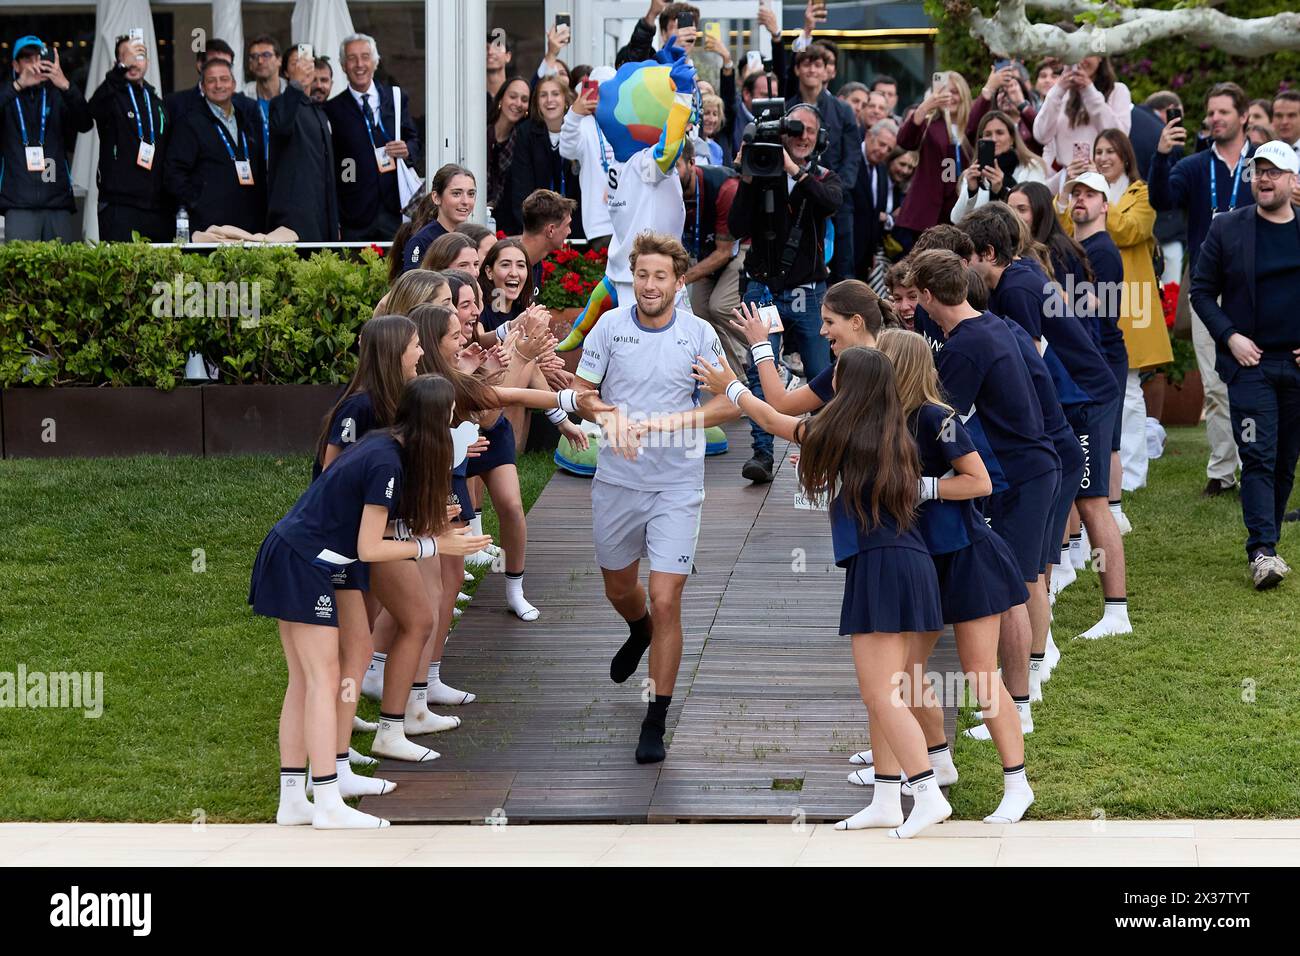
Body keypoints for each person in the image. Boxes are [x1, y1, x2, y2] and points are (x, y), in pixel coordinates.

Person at [696, 344, 952, 837]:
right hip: (905, 563)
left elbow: (772, 419)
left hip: (882, 565)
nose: (830, 381)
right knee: (885, 692)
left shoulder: (848, 431)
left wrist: (730, 383)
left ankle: (926, 792)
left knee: (882, 694)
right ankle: (884, 799)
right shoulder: (890, 431)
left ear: (849, 387)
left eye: (838, 376)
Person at [252, 374, 489, 827]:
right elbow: (368, 549)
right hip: (304, 560)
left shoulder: (386, 448)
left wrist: (422, 529)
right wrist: (434, 545)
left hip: (306, 555)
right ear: (433, 422)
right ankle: (326, 802)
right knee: (319, 678)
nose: (455, 427)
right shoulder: (388, 462)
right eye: (451, 419)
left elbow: (370, 530)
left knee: (309, 678)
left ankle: (294, 799)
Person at [572, 232, 737, 765]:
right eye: (641, 275)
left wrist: (677, 420)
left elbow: (729, 402)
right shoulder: (610, 328)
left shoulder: (698, 334)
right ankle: (637, 627)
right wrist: (605, 414)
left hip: (677, 485)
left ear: (678, 280)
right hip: (618, 482)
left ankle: (656, 718)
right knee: (621, 589)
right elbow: (579, 393)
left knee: (667, 599)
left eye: (659, 276)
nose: (648, 285)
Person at [908, 247, 1059, 735]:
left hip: (1018, 476)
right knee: (1023, 581)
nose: (916, 307)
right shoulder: (991, 325)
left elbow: (940, 420)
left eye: (917, 298)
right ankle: (1023, 695)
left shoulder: (962, 348)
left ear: (930, 296)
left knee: (1009, 593)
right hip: (1034, 467)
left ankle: (1018, 709)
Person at [962, 203, 1129, 640]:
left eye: (968, 257)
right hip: (1073, 398)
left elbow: (1027, 356)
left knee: (1092, 502)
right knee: (1055, 498)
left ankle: (1117, 611)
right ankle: (1047, 592)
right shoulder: (1019, 274)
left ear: (989, 252)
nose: (963, 266)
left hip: (1086, 397)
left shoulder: (1017, 288)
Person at [1190, 141, 1300, 589]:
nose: (1265, 179)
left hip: (1294, 368)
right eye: (1259, 171)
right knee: (1257, 453)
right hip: (1249, 363)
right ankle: (1263, 550)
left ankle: (1265, 543)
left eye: (1275, 172)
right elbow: (1200, 290)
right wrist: (1230, 337)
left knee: (1285, 461)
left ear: (1293, 180)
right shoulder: (1228, 229)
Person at [556, 39, 696, 352]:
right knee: (656, 350)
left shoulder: (627, 160)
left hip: (629, 270)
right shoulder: (645, 162)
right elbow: (671, 146)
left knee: (604, 330)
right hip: (649, 278)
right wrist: (682, 97)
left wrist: (663, 69)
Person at [729, 101, 843, 484]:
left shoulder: (825, 176)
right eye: (795, 129)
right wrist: (748, 176)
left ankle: (824, 450)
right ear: (781, 134)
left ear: (820, 137)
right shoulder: (763, 171)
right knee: (761, 367)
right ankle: (763, 453)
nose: (803, 136)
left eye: (810, 130)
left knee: (820, 371)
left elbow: (832, 203)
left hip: (809, 293)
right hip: (763, 285)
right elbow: (736, 225)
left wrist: (796, 172)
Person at [1148, 82, 1254, 497]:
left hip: (1253, 285)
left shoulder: (1261, 164)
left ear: (1243, 116)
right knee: (1213, 382)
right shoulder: (1194, 166)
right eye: (1211, 113)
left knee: (1254, 380)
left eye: (1224, 112)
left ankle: (1255, 466)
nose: (1215, 119)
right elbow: (1161, 199)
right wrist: (1160, 155)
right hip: (1208, 285)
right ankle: (1223, 470)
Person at [1074, 129, 1170, 498]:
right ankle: (1108, 470)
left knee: (1129, 389)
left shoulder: (1140, 192)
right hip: (1093, 299)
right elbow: (1063, 224)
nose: (1102, 157)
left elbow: (1132, 230)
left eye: (1111, 151)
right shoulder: (1082, 194)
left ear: (1125, 156)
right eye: (1098, 151)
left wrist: (1100, 210)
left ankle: (1133, 471)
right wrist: (1078, 193)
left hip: (1133, 301)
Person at [324, 33, 421, 242]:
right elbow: (332, 165)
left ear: (375, 62)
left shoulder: (395, 98)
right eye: (352, 58)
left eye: (365, 56)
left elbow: (414, 140)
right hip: (354, 214)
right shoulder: (332, 108)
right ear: (343, 65)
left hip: (395, 210)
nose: (359, 64)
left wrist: (407, 150)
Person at [1, 37, 92, 242]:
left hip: (57, 201)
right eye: (27, 59)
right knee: (21, 273)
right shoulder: (7, 94)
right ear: (15, 65)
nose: (34, 64)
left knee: (61, 271)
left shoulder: (57, 94)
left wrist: (65, 85)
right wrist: (17, 86)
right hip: (19, 202)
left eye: (38, 58)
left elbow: (86, 123)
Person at [164, 58, 266, 235]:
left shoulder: (246, 120)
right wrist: (199, 203)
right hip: (210, 229)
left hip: (247, 226)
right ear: (202, 87)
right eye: (211, 80)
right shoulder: (190, 123)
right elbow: (174, 173)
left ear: (234, 84)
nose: (219, 85)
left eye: (224, 79)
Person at [785, 43, 860, 282]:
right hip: (796, 196)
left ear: (827, 70)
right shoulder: (787, 108)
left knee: (843, 267)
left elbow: (852, 155)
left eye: (818, 64)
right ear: (797, 69)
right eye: (806, 64)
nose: (812, 70)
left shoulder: (843, 110)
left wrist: (836, 189)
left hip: (837, 198)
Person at [88, 34, 171, 241]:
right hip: (119, 204)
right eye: (127, 56)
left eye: (139, 56)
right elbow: (92, 109)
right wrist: (118, 71)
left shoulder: (156, 101)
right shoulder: (110, 95)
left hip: (155, 206)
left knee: (156, 271)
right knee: (121, 271)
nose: (134, 62)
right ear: (118, 62)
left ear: (148, 62)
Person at [679, 138, 744, 371]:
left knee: (720, 307)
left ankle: (771, 359)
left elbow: (725, 252)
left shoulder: (724, 187)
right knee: (700, 313)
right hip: (709, 250)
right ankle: (737, 378)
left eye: (676, 166)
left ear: (692, 162)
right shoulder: (667, 186)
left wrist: (681, 278)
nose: (670, 174)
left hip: (741, 247)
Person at [893, 71, 971, 249]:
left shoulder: (970, 126)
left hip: (957, 209)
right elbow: (904, 141)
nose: (950, 97)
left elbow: (950, 170)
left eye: (955, 91)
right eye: (945, 91)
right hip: (925, 212)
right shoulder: (930, 123)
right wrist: (926, 106)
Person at [266, 45, 337, 241]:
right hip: (293, 216)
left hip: (322, 213)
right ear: (287, 72)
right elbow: (281, 127)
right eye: (296, 63)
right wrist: (296, 84)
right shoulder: (280, 103)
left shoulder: (319, 110)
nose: (302, 67)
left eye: (307, 63)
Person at [509, 78, 584, 241]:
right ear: (537, 102)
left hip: (577, 230)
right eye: (543, 95)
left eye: (555, 94)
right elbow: (521, 184)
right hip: (538, 228)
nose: (549, 100)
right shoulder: (526, 133)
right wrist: (531, 226)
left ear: (566, 100)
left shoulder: (580, 130)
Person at [1032, 55, 1131, 173]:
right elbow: (1041, 135)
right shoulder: (1061, 92)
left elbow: (1119, 137)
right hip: (1067, 178)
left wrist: (1088, 90)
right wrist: (1058, 89)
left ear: (1100, 57)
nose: (1081, 60)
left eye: (1088, 54)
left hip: (1102, 176)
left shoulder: (1117, 91)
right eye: (1076, 54)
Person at [950, 109, 1048, 224]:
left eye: (999, 133)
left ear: (1012, 138)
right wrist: (971, 191)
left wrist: (1001, 191)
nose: (994, 139)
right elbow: (956, 219)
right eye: (988, 134)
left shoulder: (1031, 166)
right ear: (981, 140)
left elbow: (1037, 211)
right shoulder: (973, 172)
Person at [558, 65, 617, 247]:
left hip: (631, 219)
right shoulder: (584, 124)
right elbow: (567, 150)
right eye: (599, 92)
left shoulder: (628, 120)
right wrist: (574, 114)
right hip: (600, 225)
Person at [397, 164, 477, 277]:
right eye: (456, 193)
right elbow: (413, 287)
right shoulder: (422, 241)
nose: (465, 201)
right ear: (436, 198)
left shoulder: (475, 237)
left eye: (471, 194)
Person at [852, 119, 902, 287]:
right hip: (843, 250)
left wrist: (870, 253)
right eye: (881, 144)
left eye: (889, 149)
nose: (884, 151)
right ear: (868, 135)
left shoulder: (881, 169)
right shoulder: (849, 159)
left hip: (864, 258)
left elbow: (874, 214)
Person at [486, 76, 530, 236]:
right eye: (513, 96)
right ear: (501, 99)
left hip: (509, 229)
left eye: (524, 99)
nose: (518, 103)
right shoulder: (480, 135)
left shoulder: (524, 141)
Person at [164, 38, 238, 125]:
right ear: (200, 65)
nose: (220, 70)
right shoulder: (175, 104)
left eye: (226, 65)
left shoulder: (244, 105)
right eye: (214, 63)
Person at [243, 35, 282, 167]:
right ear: (250, 65)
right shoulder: (241, 99)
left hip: (286, 171)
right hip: (254, 172)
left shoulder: (292, 96)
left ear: (279, 60)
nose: (259, 61)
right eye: (253, 57)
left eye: (266, 55)